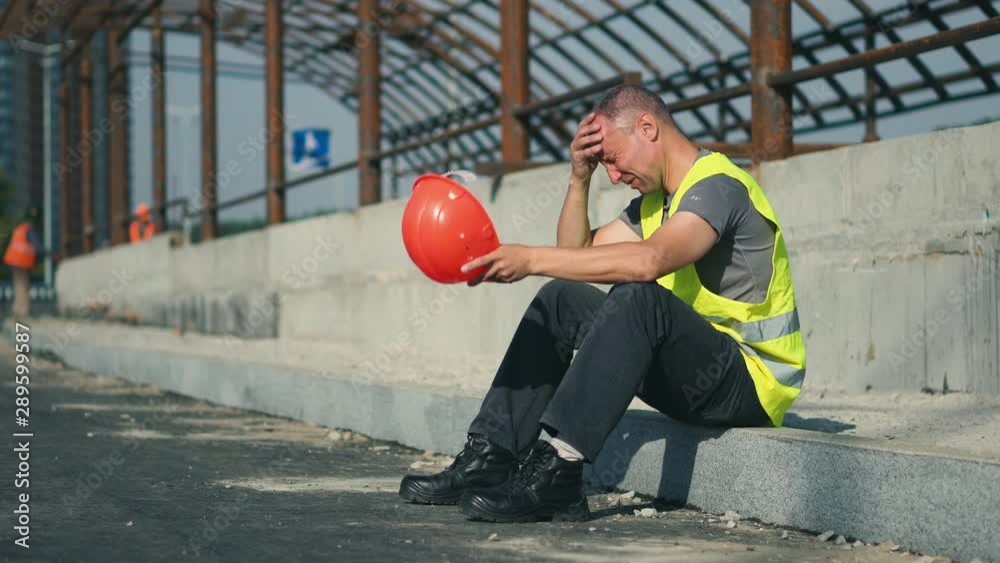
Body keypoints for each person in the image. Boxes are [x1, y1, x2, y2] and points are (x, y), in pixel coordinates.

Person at [397, 85, 807, 523]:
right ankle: (492, 457)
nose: (611, 175)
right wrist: (579, 178)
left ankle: (560, 470)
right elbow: (577, 256)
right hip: (694, 372)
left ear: (647, 127)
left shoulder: (717, 187)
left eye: (611, 159)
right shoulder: (656, 204)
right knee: (561, 298)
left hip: (749, 383)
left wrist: (530, 257)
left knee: (639, 294)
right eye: (603, 165)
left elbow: (650, 261)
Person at [3, 208, 44, 320]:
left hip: (13, 262)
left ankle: (17, 310)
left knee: (18, 285)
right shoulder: (28, 230)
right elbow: (38, 247)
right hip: (20, 263)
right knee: (23, 286)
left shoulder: (19, 228)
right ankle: (22, 312)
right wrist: (49, 253)